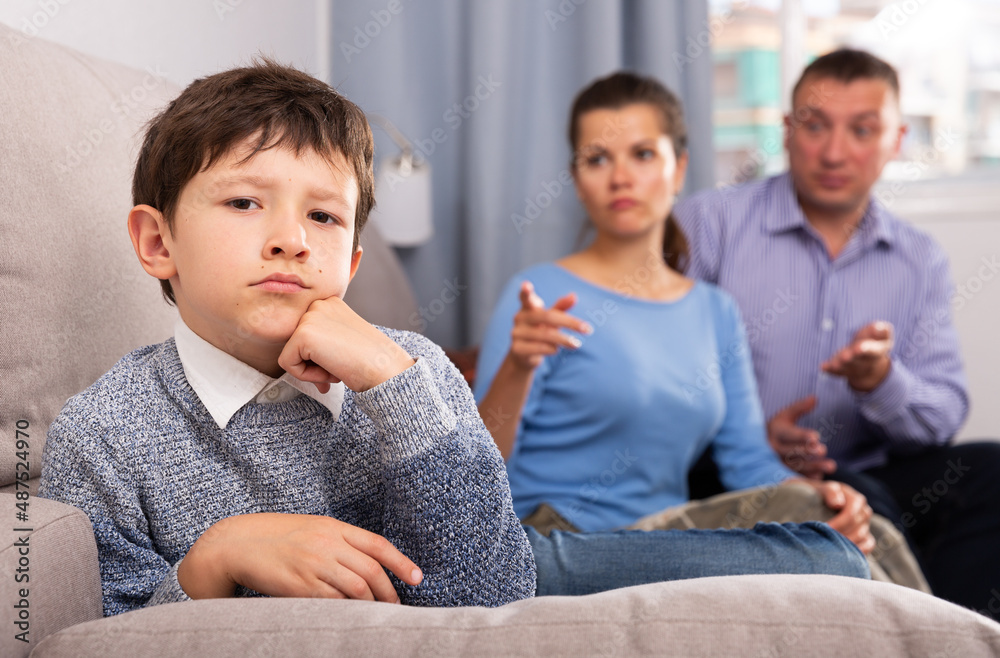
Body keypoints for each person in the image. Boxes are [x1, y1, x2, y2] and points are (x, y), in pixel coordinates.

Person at [38, 60, 537, 616]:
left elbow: (500, 601)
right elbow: (98, 644)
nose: (292, 240)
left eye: (323, 216)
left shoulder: (415, 371)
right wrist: (216, 561)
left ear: (350, 265)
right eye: (244, 202)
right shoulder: (102, 434)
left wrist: (393, 385)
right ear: (158, 242)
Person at [473, 71, 914, 590]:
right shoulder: (538, 294)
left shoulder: (714, 311)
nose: (620, 177)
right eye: (598, 159)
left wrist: (825, 496)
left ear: (678, 168)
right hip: (555, 543)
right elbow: (478, 470)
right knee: (825, 545)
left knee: (856, 527)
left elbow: (748, 463)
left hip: (662, 541)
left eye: (642, 154)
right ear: (576, 178)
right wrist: (517, 367)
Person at [675, 48, 1000, 617]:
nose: (833, 151)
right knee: (856, 502)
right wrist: (749, 436)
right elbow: (659, 376)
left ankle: (964, 635)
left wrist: (881, 381)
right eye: (815, 125)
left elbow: (942, 417)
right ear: (786, 130)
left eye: (862, 130)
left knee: (990, 472)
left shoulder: (919, 260)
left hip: (872, 473)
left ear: (896, 141)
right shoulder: (710, 225)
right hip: (728, 473)